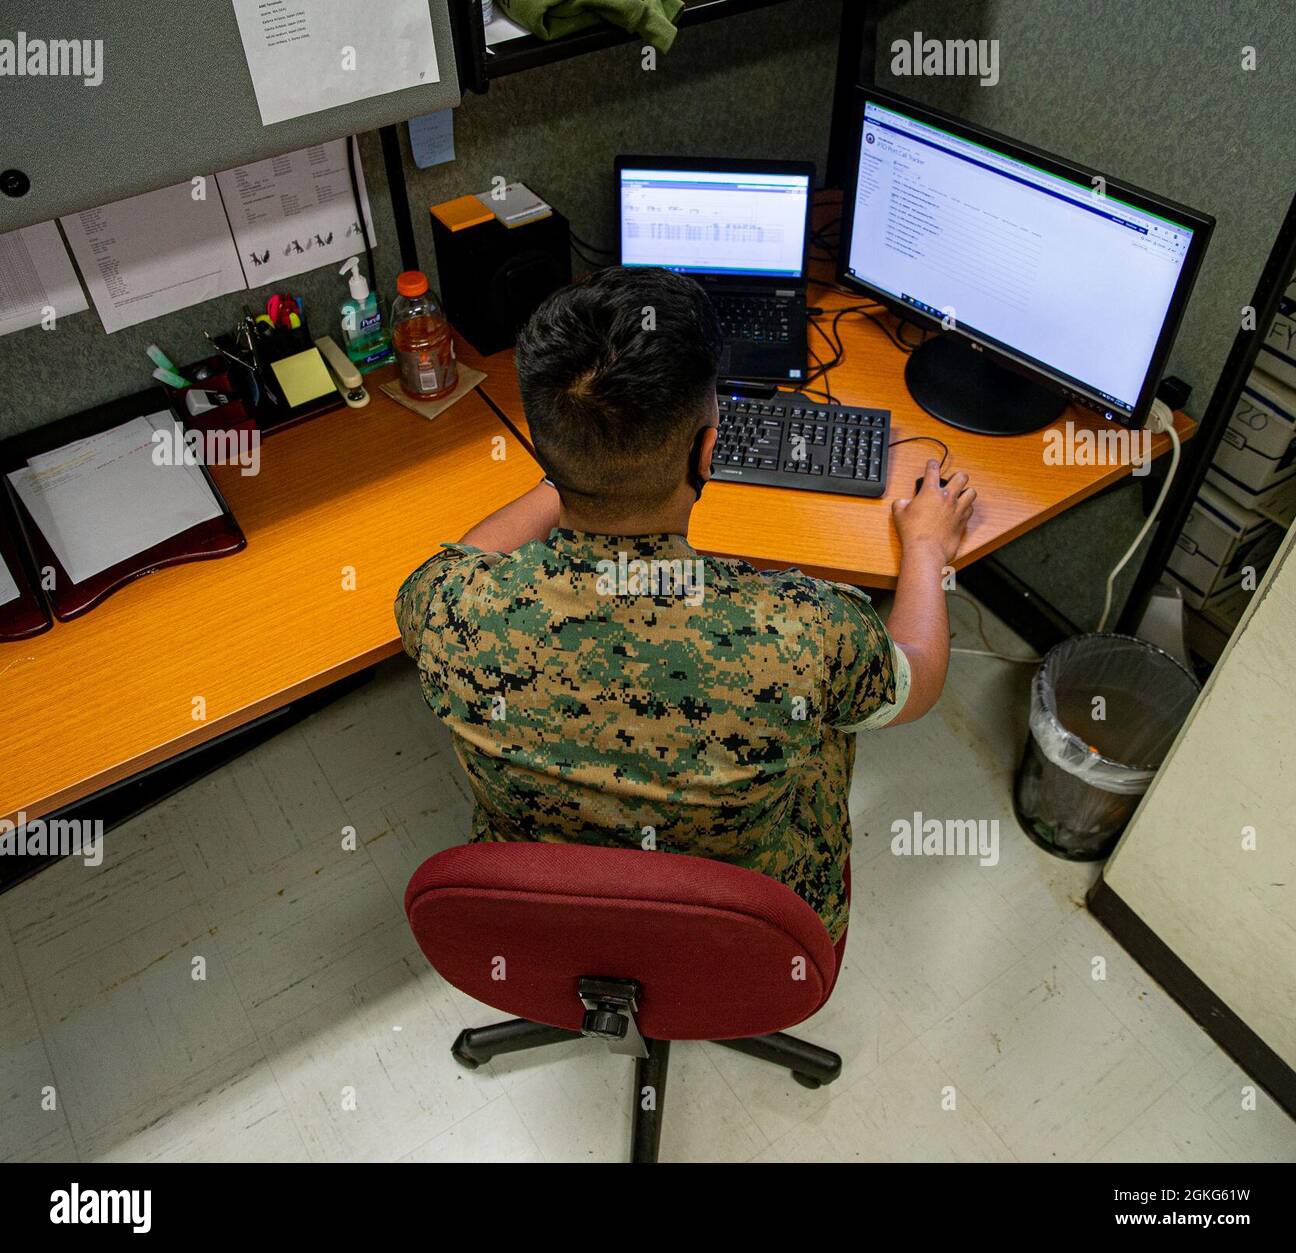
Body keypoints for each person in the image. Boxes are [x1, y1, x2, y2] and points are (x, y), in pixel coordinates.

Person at [395, 266, 975, 941]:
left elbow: (469, 557)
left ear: (547, 443)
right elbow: (919, 678)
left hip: (545, 913)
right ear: (708, 451)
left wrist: (588, 468)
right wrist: (929, 548)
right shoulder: (802, 628)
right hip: (753, 931)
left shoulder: (450, 611)